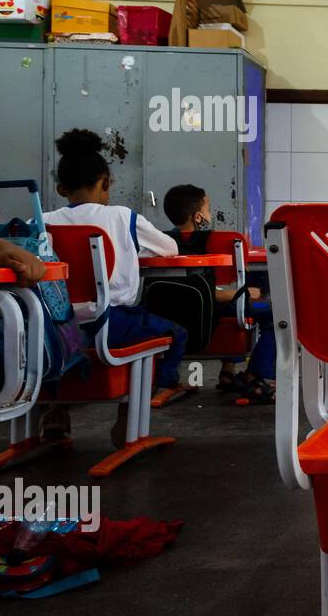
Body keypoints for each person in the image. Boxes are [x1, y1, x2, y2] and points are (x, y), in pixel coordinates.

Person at [41, 130, 187, 447]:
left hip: (56, 330)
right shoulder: (124, 218)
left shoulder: (43, 221)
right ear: (106, 182)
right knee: (173, 333)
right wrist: (133, 252)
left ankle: (55, 413)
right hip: (112, 325)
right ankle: (129, 417)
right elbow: (170, 248)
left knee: (60, 345)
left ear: (60, 188)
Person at [162, 184, 276, 403]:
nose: (210, 214)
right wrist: (239, 292)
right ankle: (257, 375)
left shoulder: (162, 241)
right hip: (206, 305)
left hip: (173, 310)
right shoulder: (220, 240)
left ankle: (228, 371)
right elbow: (206, 294)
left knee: (235, 304)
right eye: (208, 209)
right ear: (198, 217)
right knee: (273, 313)